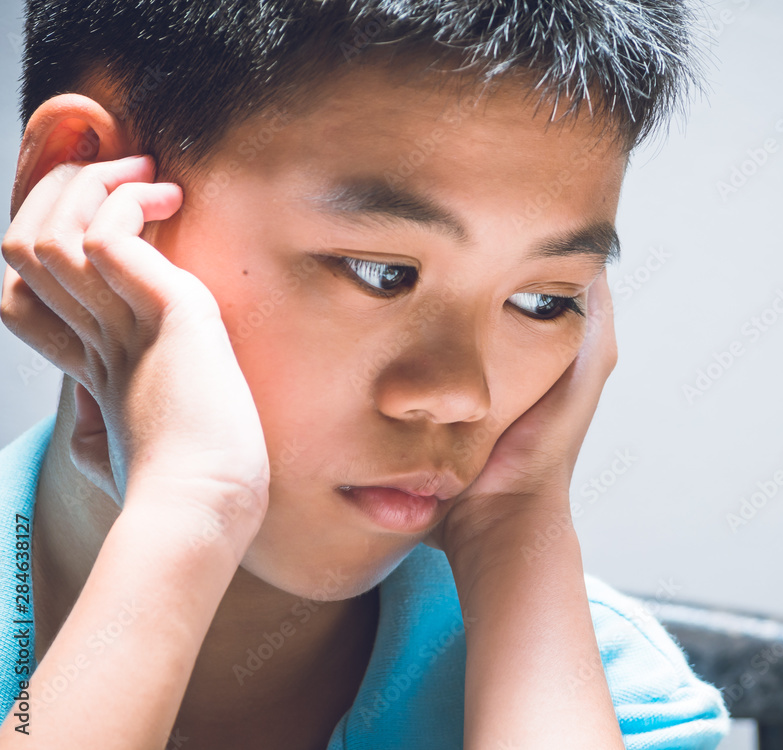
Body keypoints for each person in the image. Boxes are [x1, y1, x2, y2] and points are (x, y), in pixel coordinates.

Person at [0, 1, 730, 747]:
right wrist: (191, 507)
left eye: (544, 301)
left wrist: (518, 525)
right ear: (82, 175)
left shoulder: (596, 695)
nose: (459, 397)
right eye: (381, 273)